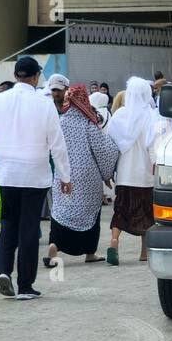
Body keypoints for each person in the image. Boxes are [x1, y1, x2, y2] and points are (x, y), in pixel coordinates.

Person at [0, 56, 72, 300]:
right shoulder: (44, 104)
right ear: (37, 77)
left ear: (16, 76)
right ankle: (25, 286)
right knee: (28, 229)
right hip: (35, 175)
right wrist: (65, 176)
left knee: (8, 225)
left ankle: (4, 271)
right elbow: (57, 145)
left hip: (7, 174)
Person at [44, 84, 120, 267]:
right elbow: (104, 150)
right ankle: (89, 252)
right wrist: (107, 174)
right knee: (90, 213)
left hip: (63, 176)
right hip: (88, 177)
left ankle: (55, 245)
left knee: (61, 212)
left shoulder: (59, 122)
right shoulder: (89, 123)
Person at [105, 76, 166, 265]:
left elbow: (110, 144)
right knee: (147, 213)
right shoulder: (151, 115)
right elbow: (154, 145)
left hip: (124, 174)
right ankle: (143, 252)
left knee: (121, 210)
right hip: (145, 174)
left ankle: (114, 241)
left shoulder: (120, 115)